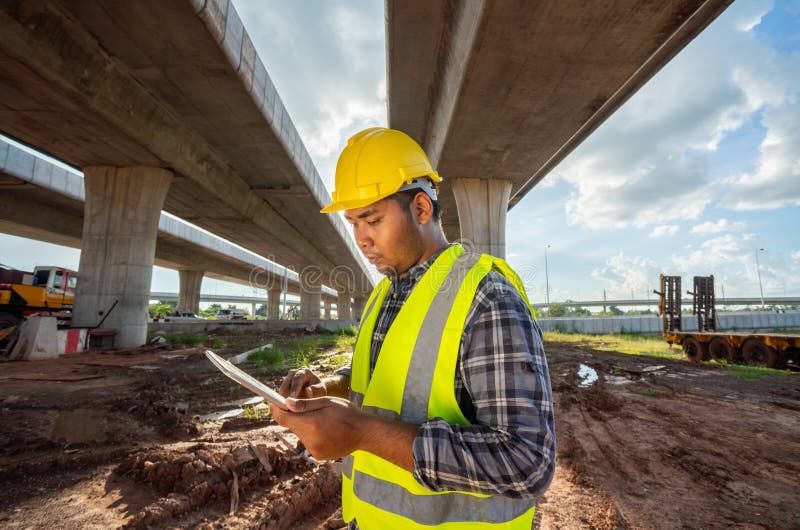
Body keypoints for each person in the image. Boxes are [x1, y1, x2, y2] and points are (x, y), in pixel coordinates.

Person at [270, 127, 555, 530]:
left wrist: (361, 432)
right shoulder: (385, 292)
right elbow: (397, 377)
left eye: (372, 219)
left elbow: (526, 461)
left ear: (421, 208)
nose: (362, 240)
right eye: (353, 223)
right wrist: (329, 387)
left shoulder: (486, 298)